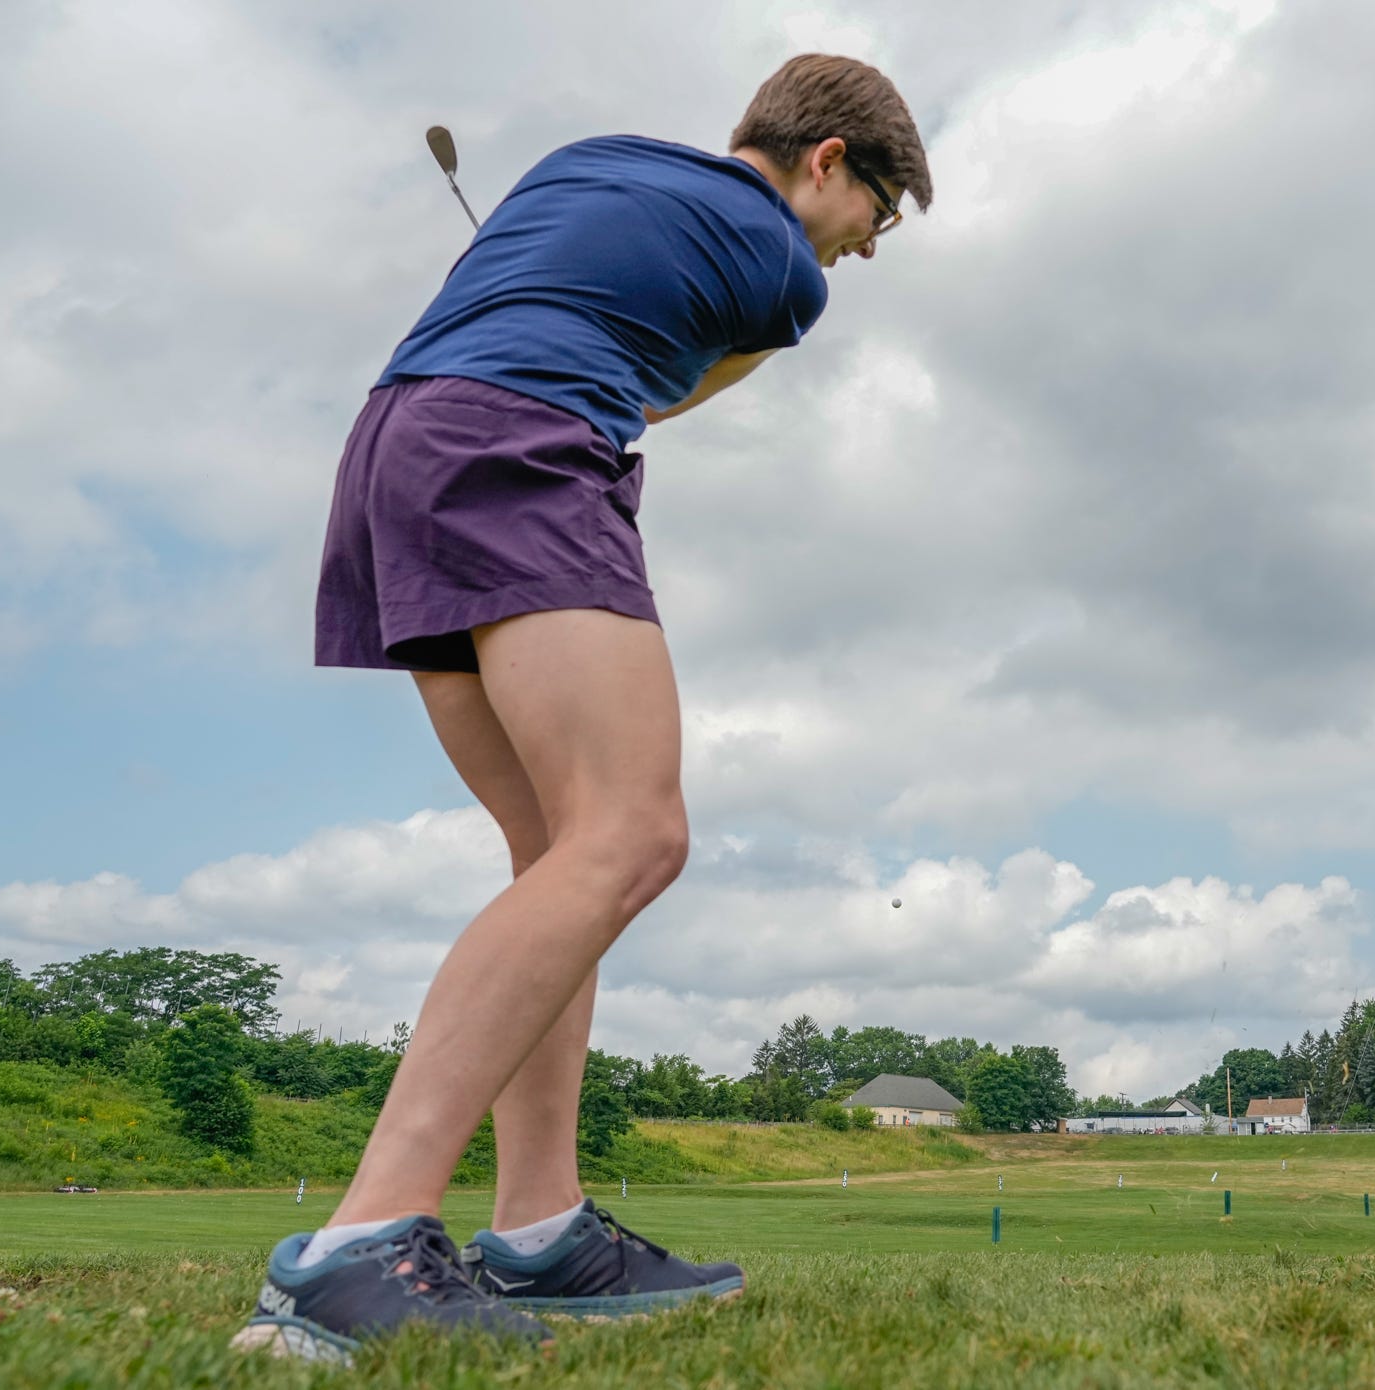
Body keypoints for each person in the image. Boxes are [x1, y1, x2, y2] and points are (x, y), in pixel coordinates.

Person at [232, 55, 932, 1361]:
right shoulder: (789, 272)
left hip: (396, 444)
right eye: (877, 216)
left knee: (558, 851)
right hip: (517, 444)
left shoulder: (585, 160)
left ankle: (541, 1227)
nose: (868, 246)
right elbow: (667, 390)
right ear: (828, 159)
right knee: (633, 834)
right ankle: (360, 1242)